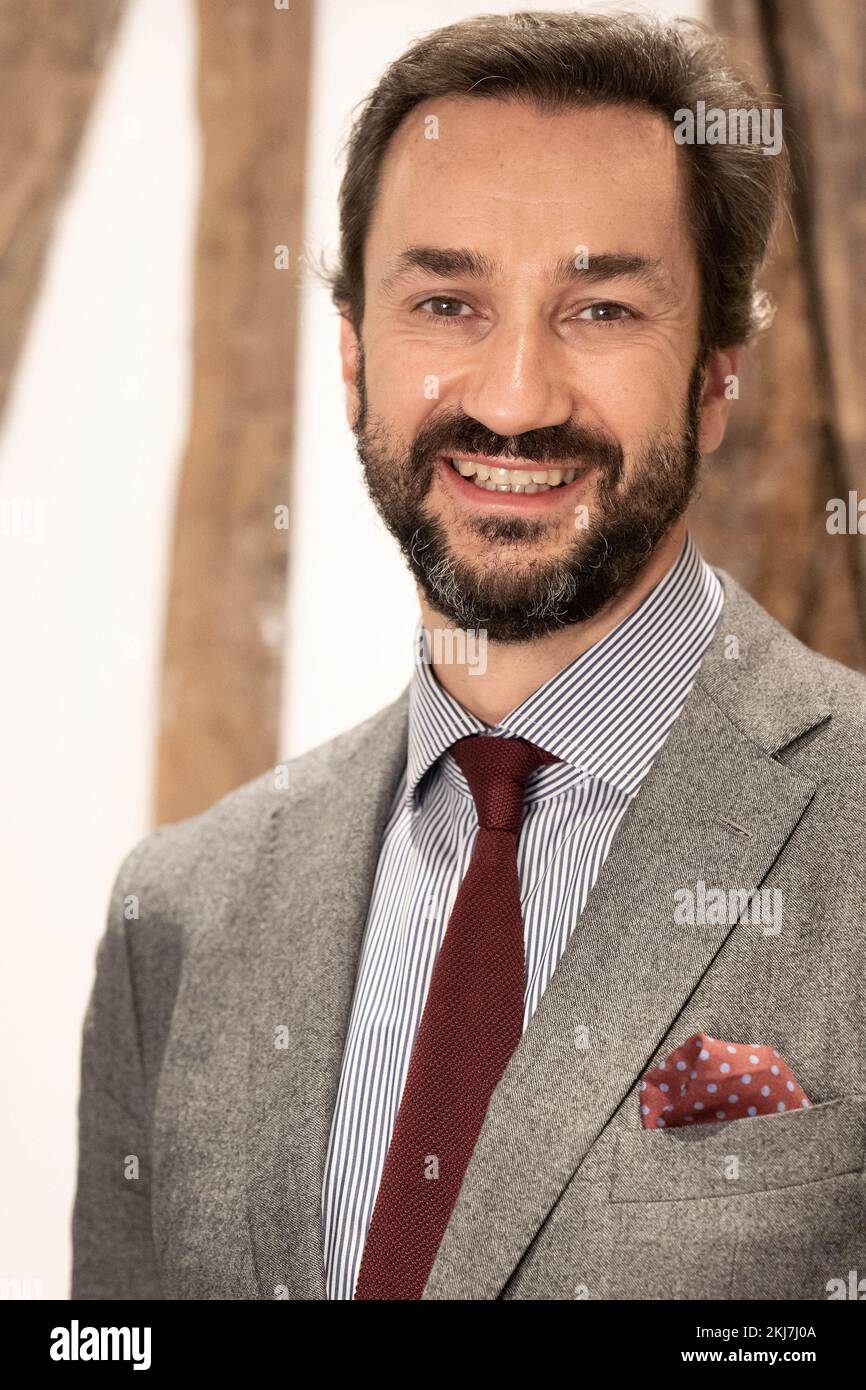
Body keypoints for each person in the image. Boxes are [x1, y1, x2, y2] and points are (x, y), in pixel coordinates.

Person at [72, 10, 866, 1301]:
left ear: (715, 377)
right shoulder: (180, 910)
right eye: (446, 301)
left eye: (599, 308)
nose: (511, 396)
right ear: (351, 354)